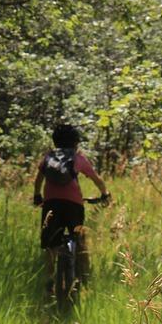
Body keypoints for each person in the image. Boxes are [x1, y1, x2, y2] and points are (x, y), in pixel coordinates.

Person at [32, 123, 110, 293]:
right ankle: (83, 278)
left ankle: (49, 279)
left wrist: (38, 196)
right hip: (73, 204)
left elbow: (38, 180)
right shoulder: (78, 158)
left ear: (55, 141)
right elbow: (96, 179)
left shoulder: (48, 157)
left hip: (51, 204)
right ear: (76, 142)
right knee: (78, 238)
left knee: (51, 243)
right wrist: (105, 194)